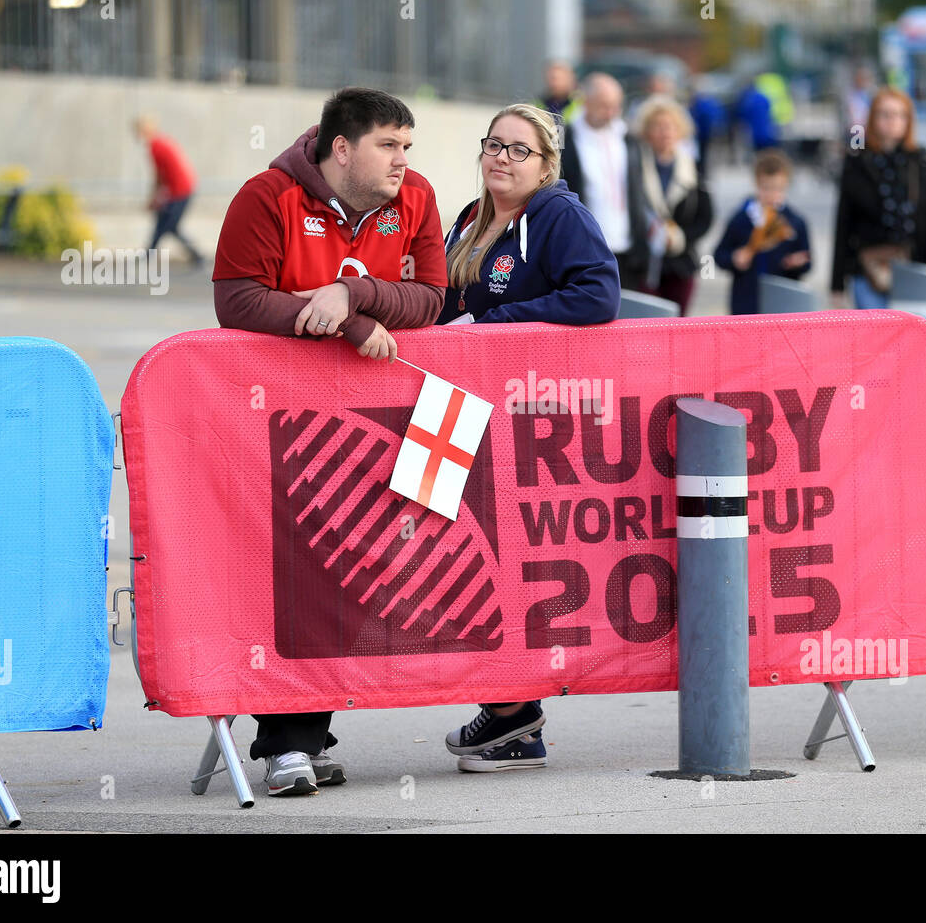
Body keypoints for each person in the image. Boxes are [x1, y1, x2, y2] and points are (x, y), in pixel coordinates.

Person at [212, 87, 449, 795]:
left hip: (379, 417)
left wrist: (357, 294)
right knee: (293, 574)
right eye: (388, 144)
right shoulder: (270, 195)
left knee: (374, 567)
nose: (403, 160)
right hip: (279, 420)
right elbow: (238, 301)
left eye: (408, 145)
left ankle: (312, 736)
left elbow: (432, 299)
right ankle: (286, 744)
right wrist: (346, 323)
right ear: (340, 147)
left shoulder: (419, 197)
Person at [438, 102, 619, 769]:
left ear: (547, 165)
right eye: (493, 145)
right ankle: (508, 708)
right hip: (458, 412)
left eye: (519, 150)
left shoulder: (559, 217)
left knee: (502, 564)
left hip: (522, 423)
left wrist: (495, 327)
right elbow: (444, 298)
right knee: (459, 558)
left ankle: (518, 721)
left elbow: (598, 295)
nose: (501, 158)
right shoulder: (473, 217)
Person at [830, 87, 926, 310]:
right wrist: (836, 284)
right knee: (875, 342)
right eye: (885, 114)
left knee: (910, 341)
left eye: (899, 115)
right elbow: (843, 222)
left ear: (908, 121)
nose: (892, 121)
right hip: (867, 269)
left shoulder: (920, 159)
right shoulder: (857, 160)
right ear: (873, 119)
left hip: (914, 267)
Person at [560, 72, 649, 290]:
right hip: (585, 247)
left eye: (615, 106)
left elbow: (638, 189)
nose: (611, 113)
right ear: (585, 102)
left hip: (628, 248)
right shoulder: (566, 137)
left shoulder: (628, 138)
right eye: (603, 105)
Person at [631, 96, 713, 314]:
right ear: (647, 132)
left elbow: (706, 218)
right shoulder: (634, 167)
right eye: (658, 127)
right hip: (645, 264)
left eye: (670, 127)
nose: (665, 132)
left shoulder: (694, 170)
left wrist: (679, 237)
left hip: (682, 263)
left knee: (678, 325)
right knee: (647, 326)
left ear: (680, 131)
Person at [715, 150, 811, 315]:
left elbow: (808, 260)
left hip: (783, 303)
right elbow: (717, 255)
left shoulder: (795, 221)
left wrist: (797, 263)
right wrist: (734, 259)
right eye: (767, 188)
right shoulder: (742, 219)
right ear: (757, 185)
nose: (773, 195)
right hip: (746, 301)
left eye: (778, 189)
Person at [134, 115, 203, 264]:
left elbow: (159, 177)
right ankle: (148, 255)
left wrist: (153, 198)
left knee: (169, 225)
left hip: (181, 191)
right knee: (162, 223)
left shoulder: (156, 147)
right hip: (178, 190)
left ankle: (197, 255)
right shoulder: (162, 142)